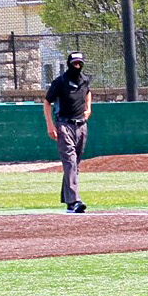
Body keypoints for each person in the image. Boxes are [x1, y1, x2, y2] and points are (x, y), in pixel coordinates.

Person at [43, 52, 93, 213]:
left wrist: (88, 109)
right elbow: (47, 102)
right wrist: (50, 125)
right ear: (69, 63)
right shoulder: (60, 82)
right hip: (64, 124)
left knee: (75, 164)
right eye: (74, 63)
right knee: (70, 162)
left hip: (81, 125)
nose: (77, 66)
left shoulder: (84, 80)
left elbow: (88, 92)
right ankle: (74, 201)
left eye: (79, 64)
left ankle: (68, 199)